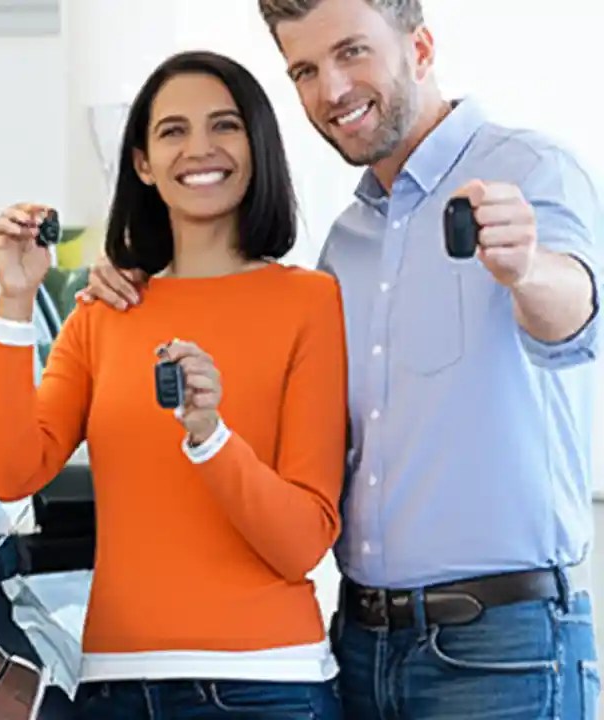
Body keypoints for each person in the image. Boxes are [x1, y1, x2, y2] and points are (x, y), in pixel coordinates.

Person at [79, 1, 603, 717]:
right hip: (359, 645)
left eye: (353, 52)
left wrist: (527, 268)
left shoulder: (529, 170)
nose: (331, 90)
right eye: (304, 69)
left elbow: (575, 317)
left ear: (419, 48)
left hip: (501, 651)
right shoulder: (344, 245)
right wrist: (134, 282)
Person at [0, 49, 348, 718]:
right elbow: (7, 470)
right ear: (143, 163)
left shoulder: (311, 303)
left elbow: (302, 545)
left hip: (268, 688)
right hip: (116, 687)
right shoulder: (106, 313)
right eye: (172, 131)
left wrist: (210, 435)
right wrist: (15, 301)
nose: (199, 148)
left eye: (224, 126)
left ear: (258, 147)